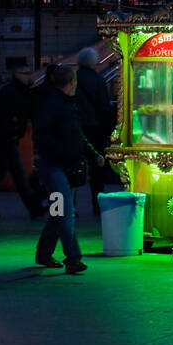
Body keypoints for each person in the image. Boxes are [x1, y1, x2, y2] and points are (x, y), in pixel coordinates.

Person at [33, 64, 103, 272]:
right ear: (72, 82)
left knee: (58, 212)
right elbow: (73, 136)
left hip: (58, 167)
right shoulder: (61, 105)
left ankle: (44, 253)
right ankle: (72, 257)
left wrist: (91, 154)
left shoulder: (56, 103)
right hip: (57, 168)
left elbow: (72, 135)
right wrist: (87, 153)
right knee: (64, 211)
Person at [0, 66, 44, 220]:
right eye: (25, 73)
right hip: (7, 138)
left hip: (7, 137)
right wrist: (12, 130)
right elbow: (5, 116)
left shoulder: (18, 91)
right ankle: (34, 208)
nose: (28, 76)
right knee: (18, 176)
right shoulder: (15, 91)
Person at [75, 48, 116, 214]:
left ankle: (70, 206)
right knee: (97, 167)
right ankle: (96, 204)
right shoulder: (98, 80)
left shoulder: (73, 78)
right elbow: (104, 106)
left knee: (75, 166)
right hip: (95, 127)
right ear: (94, 62)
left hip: (77, 127)